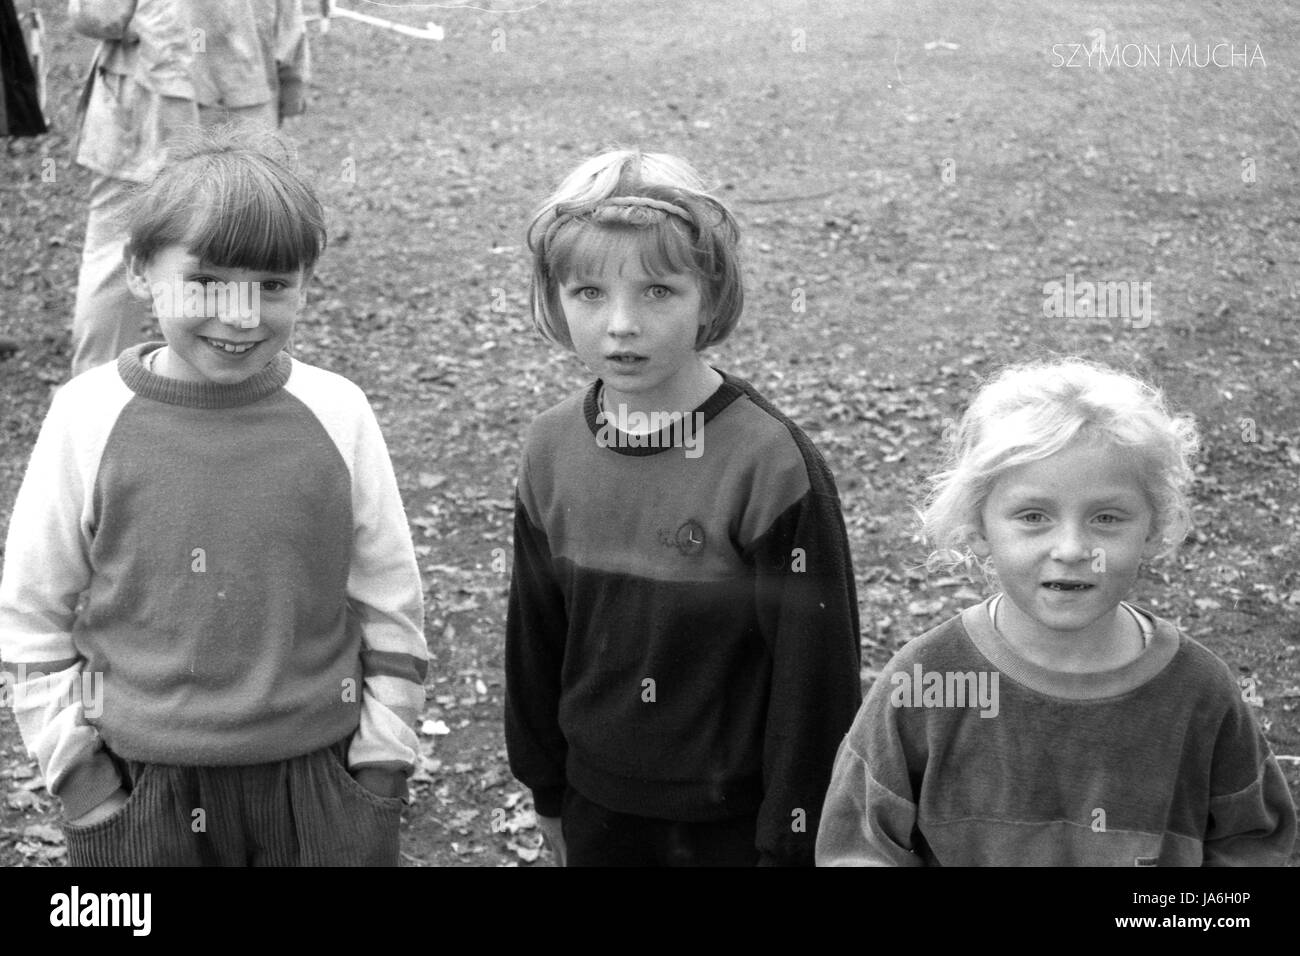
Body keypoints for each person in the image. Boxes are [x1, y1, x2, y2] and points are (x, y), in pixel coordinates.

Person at [0, 130, 427, 866]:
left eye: (272, 286)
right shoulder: (86, 417)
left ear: (305, 284)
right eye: (206, 282)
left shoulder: (338, 412)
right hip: (139, 788)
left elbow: (390, 598)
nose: (241, 315)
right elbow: (32, 613)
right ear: (139, 272)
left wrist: (383, 760)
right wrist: (80, 779)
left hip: (321, 779)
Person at [505, 149, 862, 867]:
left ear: (711, 294)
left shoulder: (770, 464)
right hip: (595, 804)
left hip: (732, 821)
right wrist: (544, 788)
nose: (622, 325)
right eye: (589, 293)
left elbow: (815, 678)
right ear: (555, 298)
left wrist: (792, 836)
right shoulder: (549, 449)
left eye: (659, 291)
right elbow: (534, 638)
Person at [816, 359, 1296, 866]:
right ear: (979, 526)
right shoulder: (926, 681)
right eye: (1033, 517)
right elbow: (858, 847)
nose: (1071, 548)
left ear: (1152, 529)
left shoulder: (1200, 691)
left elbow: (1253, 846)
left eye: (1106, 518)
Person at [68, 0, 308, 376]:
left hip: (146, 104)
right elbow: (287, 23)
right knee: (257, 245)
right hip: (242, 92)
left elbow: (99, 14)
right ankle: (262, 386)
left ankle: (97, 387)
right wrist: (292, 81)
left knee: (116, 253)